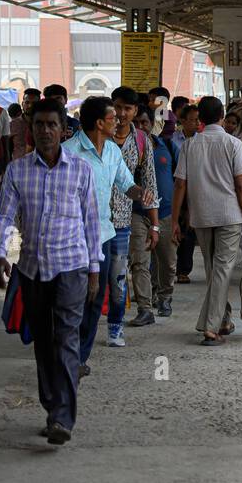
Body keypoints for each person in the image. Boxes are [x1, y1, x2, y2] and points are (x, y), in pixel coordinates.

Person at [0, 97, 102, 445]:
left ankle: (62, 418)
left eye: (52, 125)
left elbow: (91, 222)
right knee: (43, 343)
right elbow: (5, 215)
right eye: (38, 125)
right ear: (31, 129)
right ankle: (52, 405)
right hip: (33, 270)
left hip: (72, 267)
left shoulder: (81, 170)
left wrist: (94, 268)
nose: (45, 131)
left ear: (64, 129)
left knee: (65, 340)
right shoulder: (18, 170)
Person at [64, 97, 148, 367]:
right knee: (72, 299)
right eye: (113, 117)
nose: (120, 120)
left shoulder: (112, 151)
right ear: (100, 123)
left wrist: (141, 193)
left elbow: (126, 184)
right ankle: (67, 352)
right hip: (73, 239)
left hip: (105, 235)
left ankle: (79, 358)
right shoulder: (69, 152)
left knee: (94, 298)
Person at [171, 96, 242, 345]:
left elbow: (180, 184)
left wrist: (177, 219)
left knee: (214, 271)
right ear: (222, 116)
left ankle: (223, 319)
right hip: (229, 215)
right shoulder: (233, 144)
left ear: (200, 118)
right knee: (220, 271)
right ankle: (210, 327)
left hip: (201, 215)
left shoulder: (190, 145)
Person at [109, 87, 160, 331]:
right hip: (96, 216)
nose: (121, 113)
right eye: (117, 107)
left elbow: (150, 183)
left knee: (138, 261)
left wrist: (155, 224)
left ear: (135, 111)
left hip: (130, 214)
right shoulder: (98, 135)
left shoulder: (141, 140)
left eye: (127, 109)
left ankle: (144, 309)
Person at [130, 108, 178, 319]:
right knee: (140, 261)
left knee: (166, 261)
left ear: (152, 124)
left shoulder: (167, 146)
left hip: (166, 212)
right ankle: (145, 307)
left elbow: (181, 180)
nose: (141, 127)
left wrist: (181, 213)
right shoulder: (126, 149)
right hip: (137, 213)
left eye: (144, 123)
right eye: (137, 123)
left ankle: (165, 296)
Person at [174, 103, 200, 283]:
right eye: (192, 120)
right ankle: (171, 267)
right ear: (182, 121)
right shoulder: (172, 141)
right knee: (175, 230)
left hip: (194, 191)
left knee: (189, 233)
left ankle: (184, 269)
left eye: (198, 120)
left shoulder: (201, 141)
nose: (196, 123)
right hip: (177, 188)